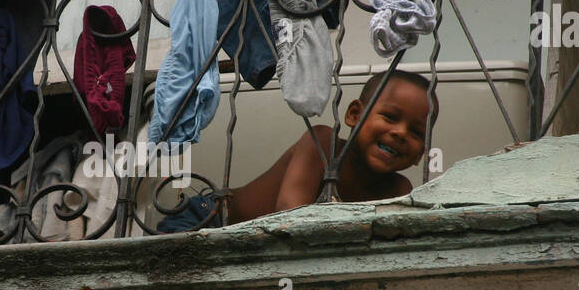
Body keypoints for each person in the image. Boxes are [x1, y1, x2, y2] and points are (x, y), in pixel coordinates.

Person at [156, 70, 432, 232]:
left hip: (264, 254)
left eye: (416, 132)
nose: (400, 133)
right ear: (354, 115)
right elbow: (289, 215)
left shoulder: (398, 188)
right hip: (208, 221)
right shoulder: (324, 143)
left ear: (421, 153)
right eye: (390, 117)